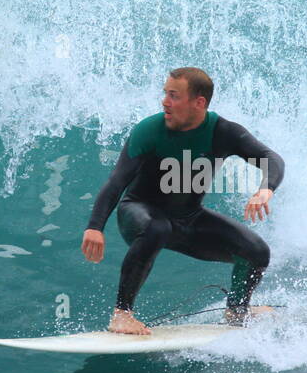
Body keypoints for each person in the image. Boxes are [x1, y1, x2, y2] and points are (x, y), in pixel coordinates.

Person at [81, 67, 285, 335]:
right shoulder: (149, 130)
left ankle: (237, 310)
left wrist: (265, 189)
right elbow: (116, 182)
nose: (165, 101)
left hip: (188, 218)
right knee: (157, 227)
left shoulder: (223, 132)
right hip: (138, 214)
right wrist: (95, 227)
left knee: (257, 252)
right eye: (165, 93)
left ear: (198, 102)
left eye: (174, 95)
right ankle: (121, 315)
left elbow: (271, 158)